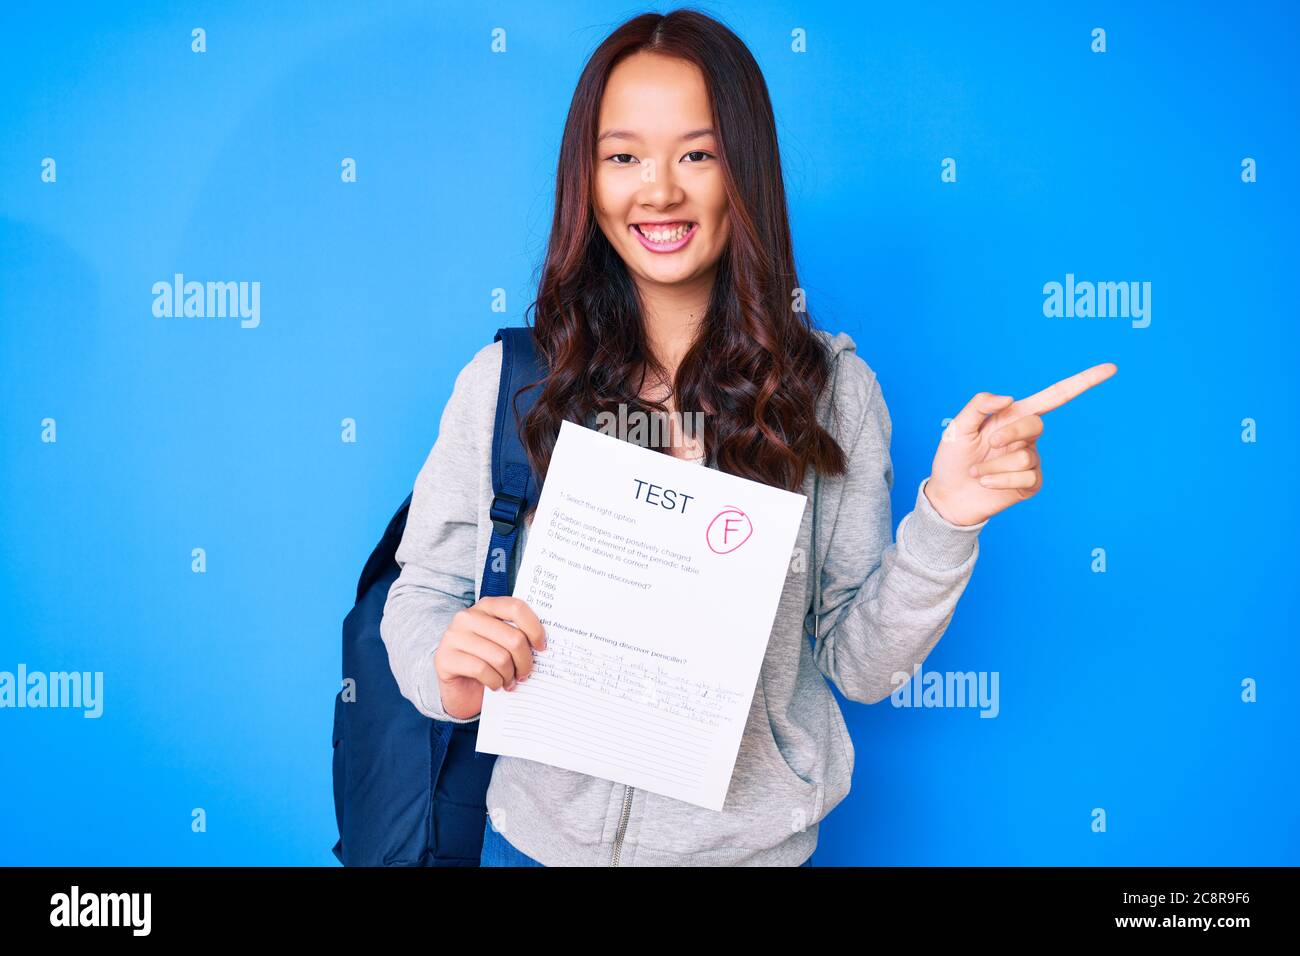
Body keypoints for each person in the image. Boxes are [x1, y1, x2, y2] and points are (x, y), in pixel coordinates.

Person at [380, 9, 1115, 867]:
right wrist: (449, 663)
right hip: (532, 846)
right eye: (623, 157)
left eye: (698, 153)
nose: (658, 190)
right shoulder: (511, 382)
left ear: (747, 172)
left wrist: (948, 519)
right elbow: (423, 590)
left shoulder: (833, 395)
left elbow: (860, 664)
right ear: (586, 177)